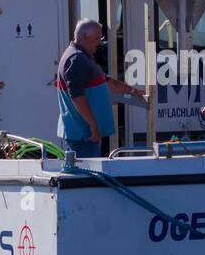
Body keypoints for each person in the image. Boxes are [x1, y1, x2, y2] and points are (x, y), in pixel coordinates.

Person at [57, 19, 145, 159]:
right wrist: (93, 125)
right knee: (87, 173)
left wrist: (133, 91)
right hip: (84, 134)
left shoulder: (83, 56)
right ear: (84, 37)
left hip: (85, 133)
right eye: (97, 38)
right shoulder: (76, 59)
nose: (100, 42)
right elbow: (77, 96)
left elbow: (105, 80)